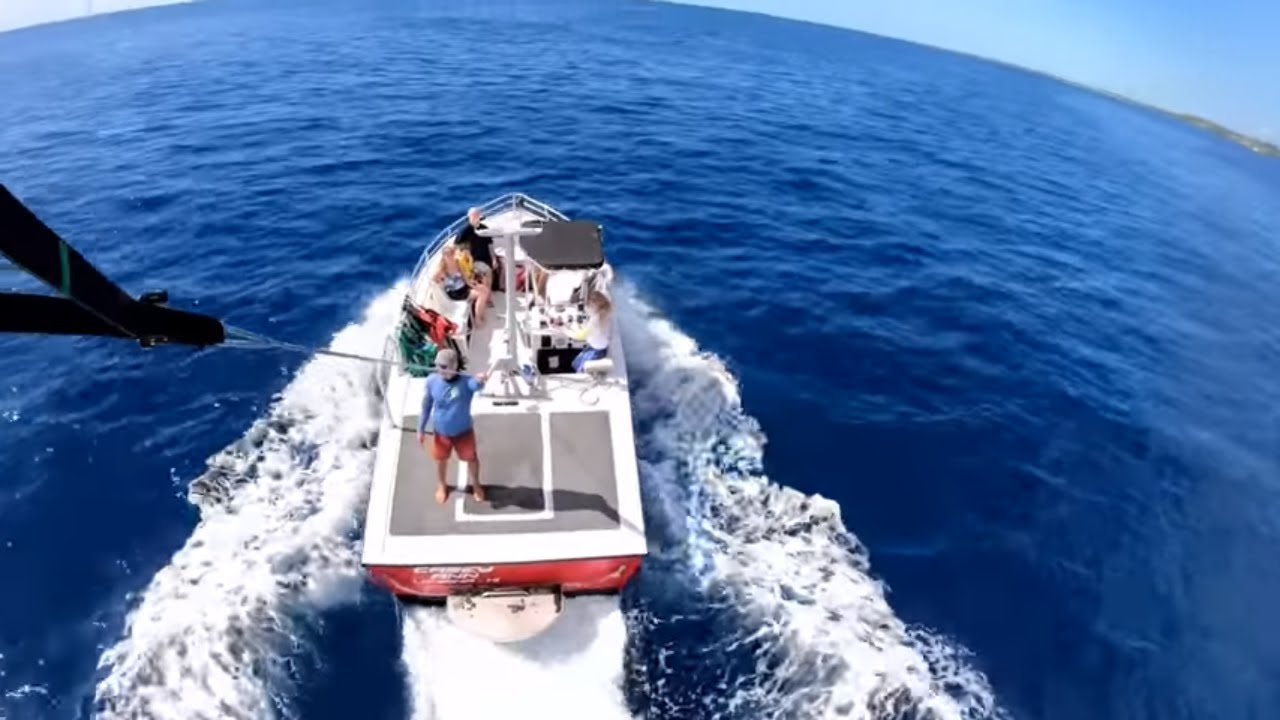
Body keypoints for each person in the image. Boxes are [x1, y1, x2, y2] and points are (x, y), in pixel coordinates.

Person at [416, 348, 489, 504]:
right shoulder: (432, 381)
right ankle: (442, 485)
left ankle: (476, 484)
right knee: (441, 460)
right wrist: (420, 428)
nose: (439, 369)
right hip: (441, 433)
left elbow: (477, 385)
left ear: (454, 366)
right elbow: (426, 406)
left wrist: (481, 379)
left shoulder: (466, 382)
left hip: (464, 432)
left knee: (471, 459)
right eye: (437, 365)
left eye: (443, 366)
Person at [434, 244, 492, 325]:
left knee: (484, 289)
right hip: (456, 293)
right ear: (444, 257)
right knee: (482, 295)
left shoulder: (457, 263)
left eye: (451, 254)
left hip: (464, 287)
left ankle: (480, 311)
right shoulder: (442, 270)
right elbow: (434, 280)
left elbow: (465, 278)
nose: (450, 257)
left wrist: (473, 285)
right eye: (448, 255)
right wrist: (443, 283)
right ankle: (478, 319)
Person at [454, 207, 500, 291]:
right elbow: (457, 243)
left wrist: (494, 258)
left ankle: (498, 288)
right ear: (469, 217)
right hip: (475, 259)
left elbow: (490, 245)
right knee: (486, 271)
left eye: (477, 215)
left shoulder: (484, 228)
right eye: (474, 216)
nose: (476, 218)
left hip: (486, 257)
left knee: (501, 265)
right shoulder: (465, 231)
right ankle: (487, 293)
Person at [571, 289, 613, 373]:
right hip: (599, 348)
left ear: (595, 305)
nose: (586, 307)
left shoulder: (595, 321)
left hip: (596, 351)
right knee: (576, 363)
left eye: (588, 305)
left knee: (578, 367)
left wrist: (564, 330)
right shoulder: (605, 314)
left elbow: (580, 336)